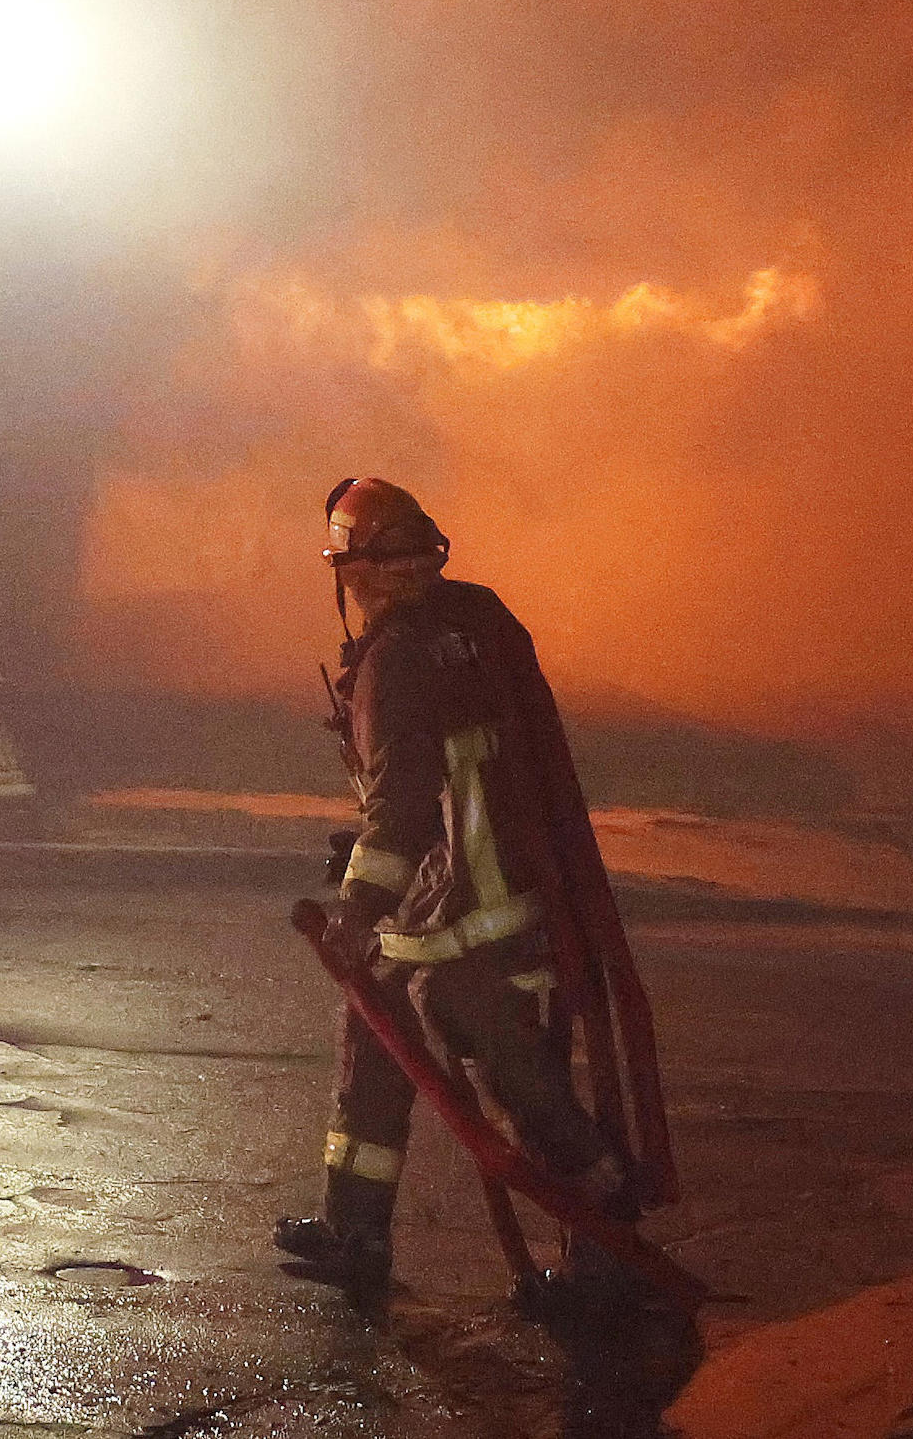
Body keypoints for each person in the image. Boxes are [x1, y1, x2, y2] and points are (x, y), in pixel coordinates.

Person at [275, 475, 674, 1314]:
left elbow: (403, 804)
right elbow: (479, 767)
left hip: (460, 913)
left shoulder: (392, 661)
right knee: (378, 1031)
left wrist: (355, 909)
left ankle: (608, 1233)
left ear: (354, 573)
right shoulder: (480, 618)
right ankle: (355, 1228)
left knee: (516, 1075)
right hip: (512, 886)